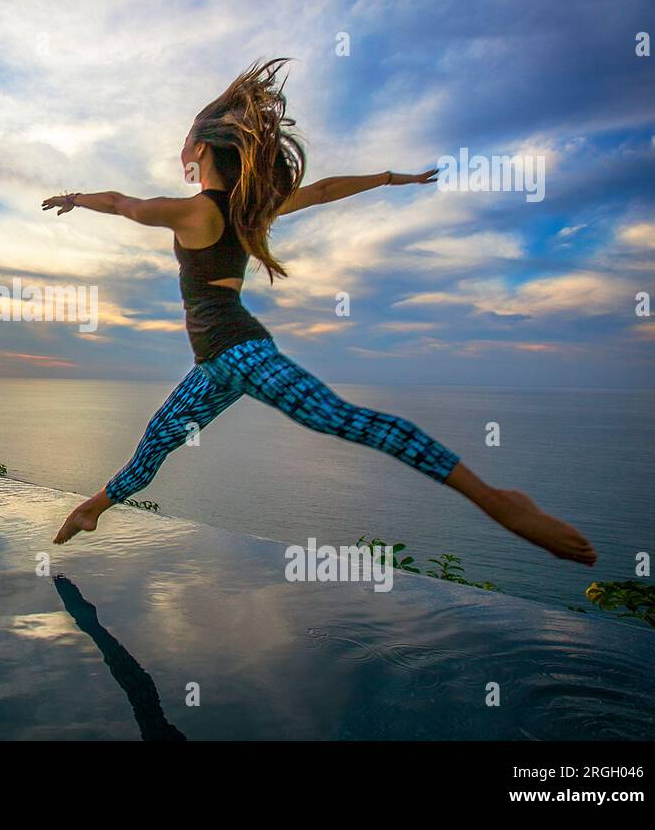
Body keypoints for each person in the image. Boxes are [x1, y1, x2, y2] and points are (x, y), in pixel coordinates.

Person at [42, 58, 596, 567]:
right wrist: (389, 178)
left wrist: (76, 197)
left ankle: (497, 500)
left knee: (339, 418)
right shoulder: (250, 206)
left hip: (241, 353)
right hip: (214, 363)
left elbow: (123, 203)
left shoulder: (196, 212)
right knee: (157, 439)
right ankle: (93, 508)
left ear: (202, 150)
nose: (182, 147)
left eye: (186, 139)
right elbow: (326, 189)